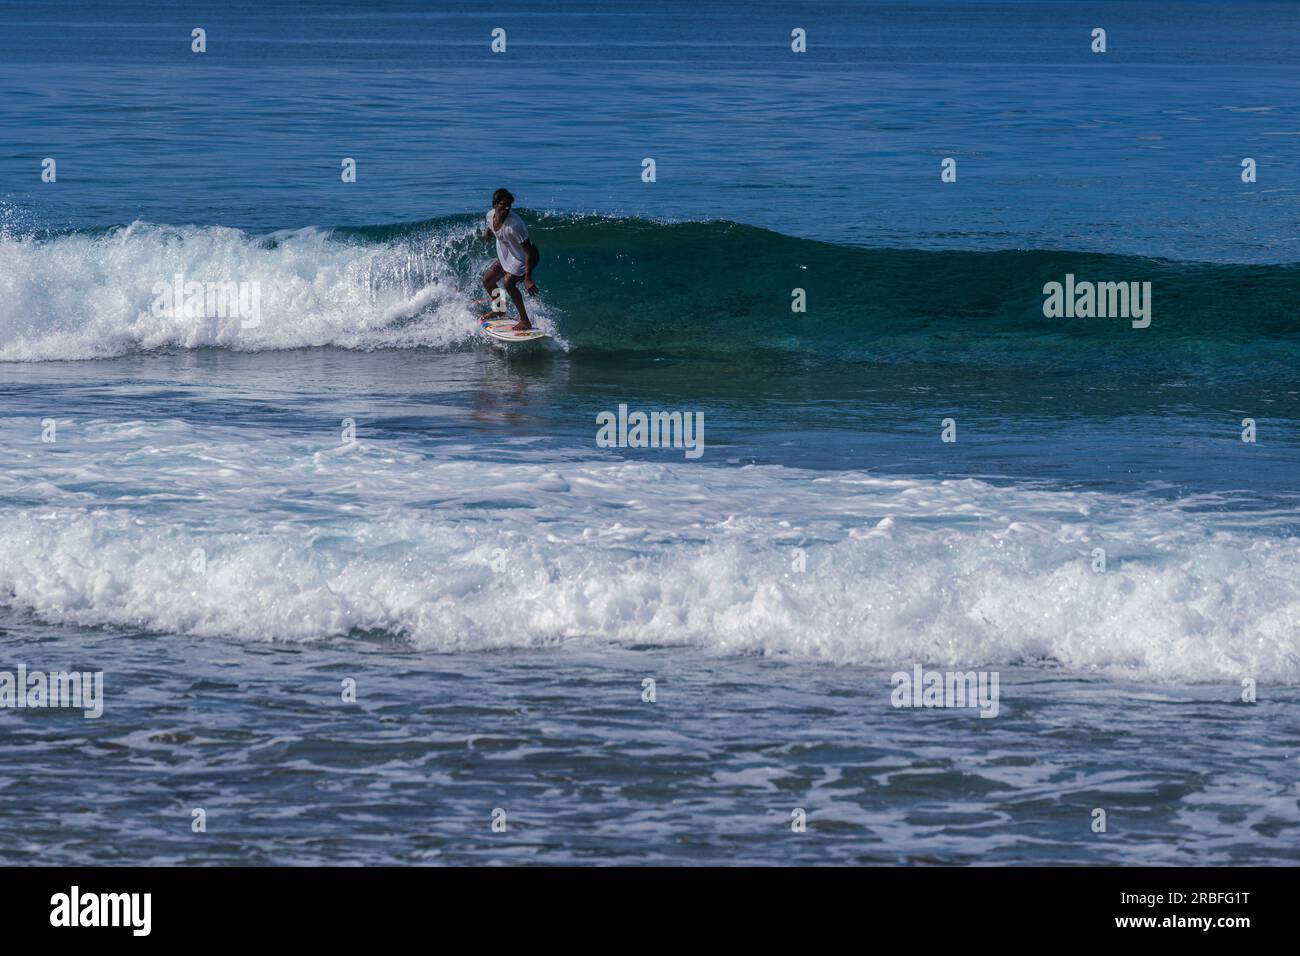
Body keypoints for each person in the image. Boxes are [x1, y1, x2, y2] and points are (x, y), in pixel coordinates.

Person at [481, 188, 539, 331]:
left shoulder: (515, 226)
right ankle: (500, 309)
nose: (506, 208)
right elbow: (491, 224)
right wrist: (489, 232)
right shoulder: (490, 215)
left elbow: (529, 252)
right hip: (507, 255)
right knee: (488, 280)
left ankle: (525, 321)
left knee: (508, 283)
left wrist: (528, 278)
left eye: (509, 205)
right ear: (495, 204)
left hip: (523, 258)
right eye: (503, 204)